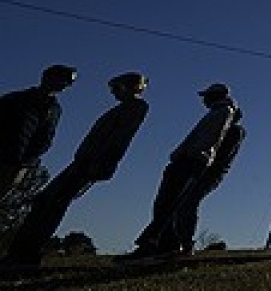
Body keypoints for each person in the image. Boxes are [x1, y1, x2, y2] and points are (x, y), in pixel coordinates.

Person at [2, 72, 147, 267]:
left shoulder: (135, 108)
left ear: (131, 87)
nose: (113, 92)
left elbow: (119, 139)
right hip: (83, 162)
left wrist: (103, 163)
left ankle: (25, 253)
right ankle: (22, 252)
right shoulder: (121, 109)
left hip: (90, 163)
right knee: (46, 202)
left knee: (52, 204)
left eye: (117, 87)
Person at [126, 83, 236, 258]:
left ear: (215, 95)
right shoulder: (217, 112)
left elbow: (210, 138)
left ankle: (153, 244)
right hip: (188, 159)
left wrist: (191, 154)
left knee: (168, 204)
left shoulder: (224, 112)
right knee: (166, 204)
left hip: (191, 161)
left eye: (206, 96)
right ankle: (163, 243)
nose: (204, 100)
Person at [0, 64, 76, 199]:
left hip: (17, 167)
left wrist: (25, 165)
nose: (66, 85)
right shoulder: (14, 100)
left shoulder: (54, 110)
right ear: (48, 78)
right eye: (63, 79)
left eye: (68, 82)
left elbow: (45, 141)